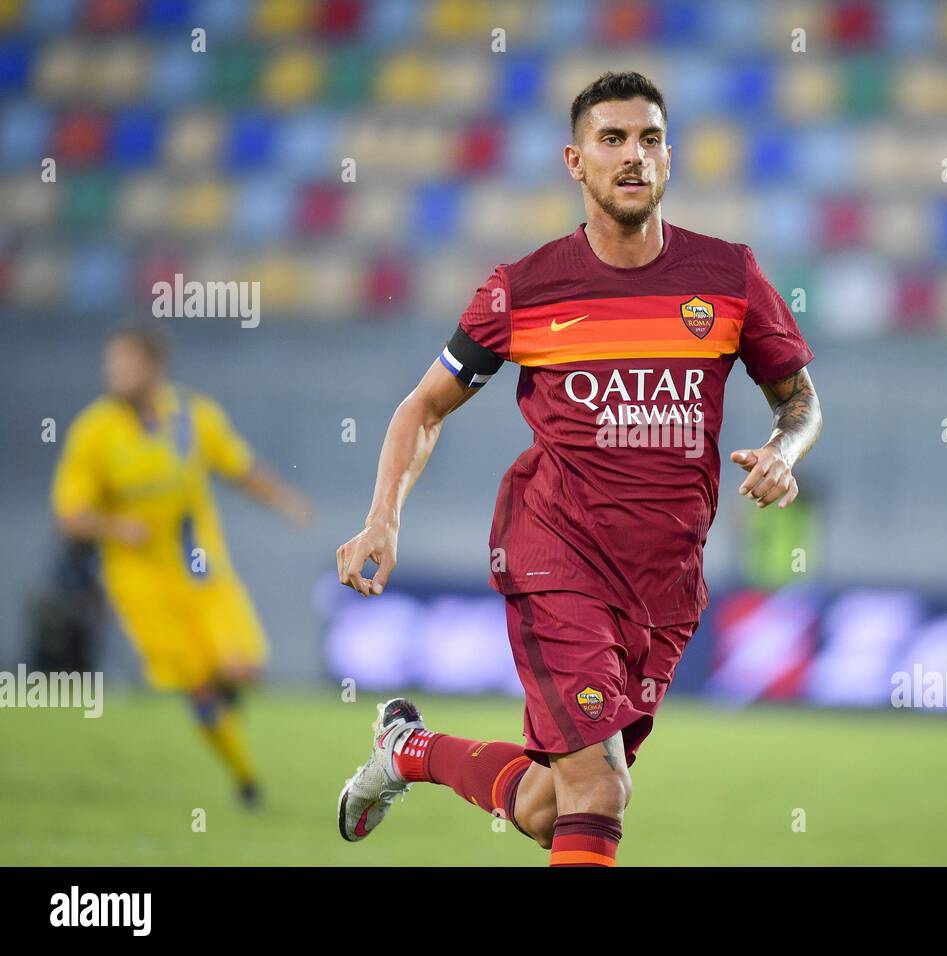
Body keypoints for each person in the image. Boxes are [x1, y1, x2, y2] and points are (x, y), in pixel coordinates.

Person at [336, 71, 822, 866]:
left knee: (550, 805)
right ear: (575, 161)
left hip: (665, 585)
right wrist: (383, 516)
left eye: (650, 138)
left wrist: (783, 451)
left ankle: (407, 751)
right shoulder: (524, 290)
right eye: (612, 139)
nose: (634, 156)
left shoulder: (728, 278)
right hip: (556, 558)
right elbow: (422, 409)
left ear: (671, 156)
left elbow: (799, 401)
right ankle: (410, 750)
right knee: (600, 792)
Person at [51, 321, 312, 805]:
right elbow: (69, 515)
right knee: (197, 684)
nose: (115, 373)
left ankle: (224, 700)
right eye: (112, 364)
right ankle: (245, 777)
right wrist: (116, 527)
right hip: (140, 583)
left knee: (243, 666)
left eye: (126, 363)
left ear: (154, 368)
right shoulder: (94, 432)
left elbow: (240, 468)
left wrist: (285, 501)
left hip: (201, 566)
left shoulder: (194, 416)